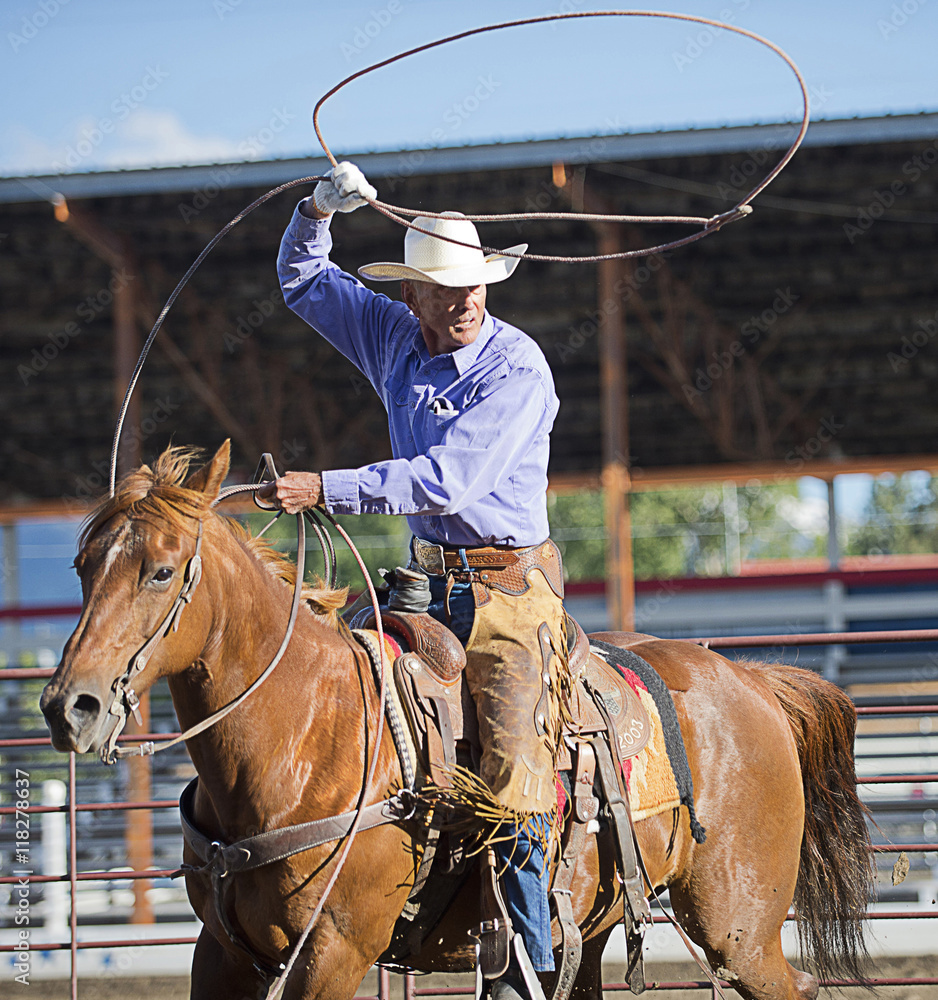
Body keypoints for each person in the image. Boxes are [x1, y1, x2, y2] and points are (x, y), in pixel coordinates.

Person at [260, 162, 569, 1000]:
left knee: (512, 776)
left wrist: (328, 487)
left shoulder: (517, 368)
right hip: (423, 584)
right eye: (445, 288)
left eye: (472, 284)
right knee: (323, 694)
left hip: (510, 592)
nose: (465, 300)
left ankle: (525, 969)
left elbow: (446, 482)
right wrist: (317, 209)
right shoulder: (392, 335)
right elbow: (300, 280)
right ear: (414, 297)